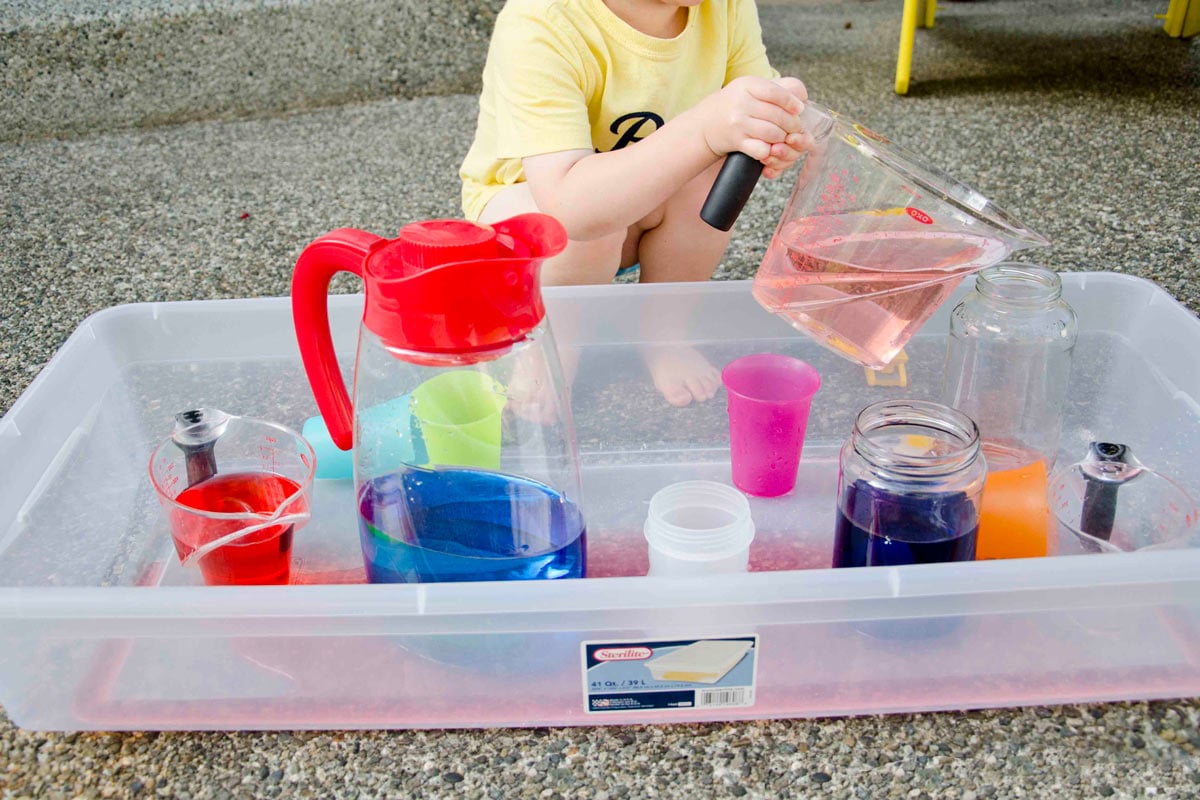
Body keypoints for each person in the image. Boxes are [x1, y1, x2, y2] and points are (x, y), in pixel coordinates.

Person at [459, 0, 811, 408]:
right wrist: (704, 129)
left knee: (711, 177)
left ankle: (663, 335)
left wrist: (771, 127)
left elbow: (748, 106)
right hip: (527, 226)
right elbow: (568, 206)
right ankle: (549, 352)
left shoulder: (726, 8)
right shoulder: (541, 21)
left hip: (637, 210)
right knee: (586, 229)